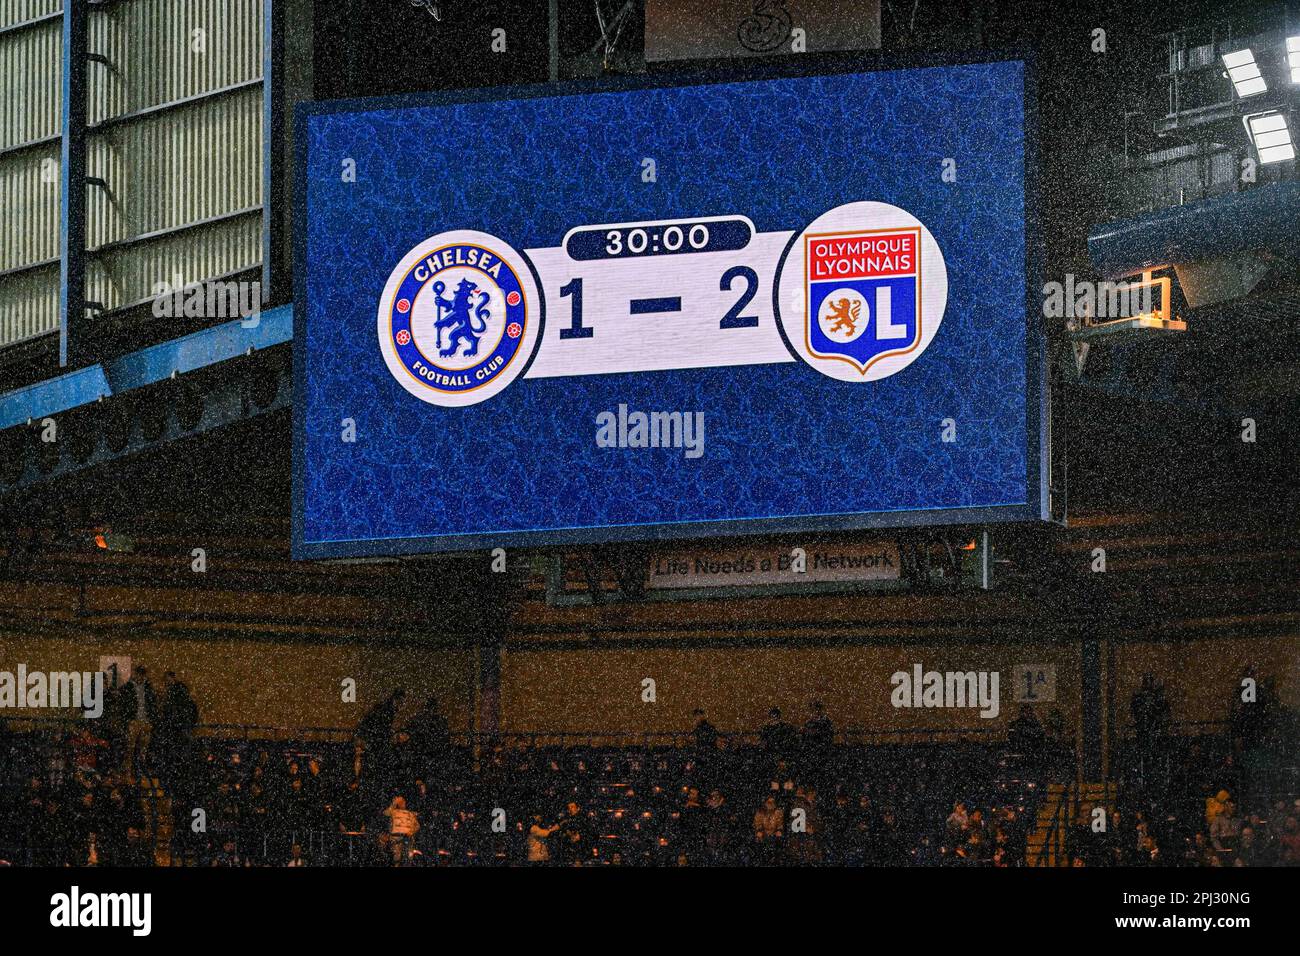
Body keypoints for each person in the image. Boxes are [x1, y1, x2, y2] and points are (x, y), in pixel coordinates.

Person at [121, 666, 156, 782]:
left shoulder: (148, 688)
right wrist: (128, 719)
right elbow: (124, 706)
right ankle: (128, 774)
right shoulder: (128, 688)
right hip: (134, 721)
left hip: (145, 722)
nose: (140, 677)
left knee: (143, 750)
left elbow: (152, 704)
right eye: (138, 675)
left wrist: (151, 720)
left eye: (141, 675)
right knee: (130, 749)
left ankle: (140, 773)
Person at [383, 795, 420, 865]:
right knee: (396, 858)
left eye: (403, 801)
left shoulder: (410, 814)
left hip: (407, 838)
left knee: (408, 858)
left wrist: (411, 832)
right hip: (395, 838)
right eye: (400, 802)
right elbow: (386, 813)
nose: (402, 803)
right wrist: (393, 803)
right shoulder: (394, 811)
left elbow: (417, 826)